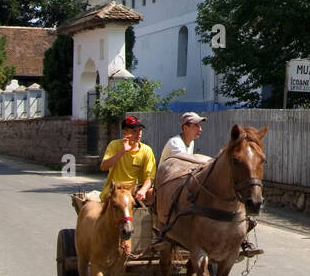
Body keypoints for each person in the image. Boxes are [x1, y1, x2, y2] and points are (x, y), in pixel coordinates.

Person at [157, 111, 263, 259]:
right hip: (170, 181)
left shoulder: (190, 142)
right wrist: (214, 163)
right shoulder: (175, 142)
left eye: (200, 125)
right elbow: (184, 161)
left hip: (182, 177)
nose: (199, 129)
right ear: (185, 128)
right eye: (196, 126)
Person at [100, 115, 157, 206]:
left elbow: (150, 177)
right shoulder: (114, 145)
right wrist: (122, 151)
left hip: (136, 189)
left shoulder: (146, 150)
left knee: (154, 193)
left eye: (140, 130)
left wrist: (143, 190)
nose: (138, 134)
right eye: (134, 131)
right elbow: (104, 167)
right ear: (124, 132)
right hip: (117, 188)